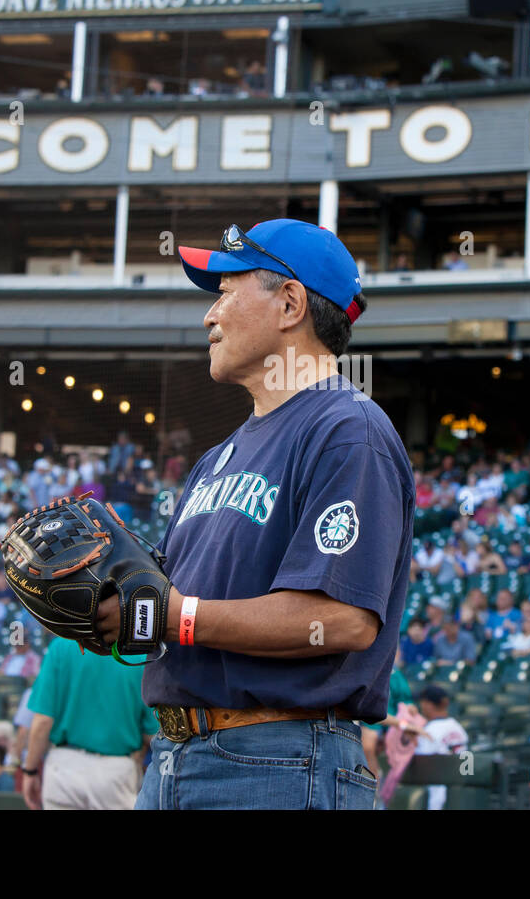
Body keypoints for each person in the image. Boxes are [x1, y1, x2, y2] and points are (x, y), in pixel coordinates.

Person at [109, 220, 411, 811]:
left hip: (279, 760)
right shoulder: (215, 459)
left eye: (226, 289)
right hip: (173, 755)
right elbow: (177, 610)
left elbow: (343, 619)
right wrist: (120, 613)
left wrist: (174, 618)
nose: (210, 315)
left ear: (290, 303)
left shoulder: (347, 431)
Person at [22, 635, 159, 810]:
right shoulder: (137, 651)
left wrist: (30, 770)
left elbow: (43, 721)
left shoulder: (62, 645)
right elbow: (152, 733)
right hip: (115, 771)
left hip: (64, 768)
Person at [413, 685, 469, 810]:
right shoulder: (459, 728)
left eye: (423, 701)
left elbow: (421, 768)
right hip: (458, 791)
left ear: (428, 704)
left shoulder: (429, 732)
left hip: (435, 794)